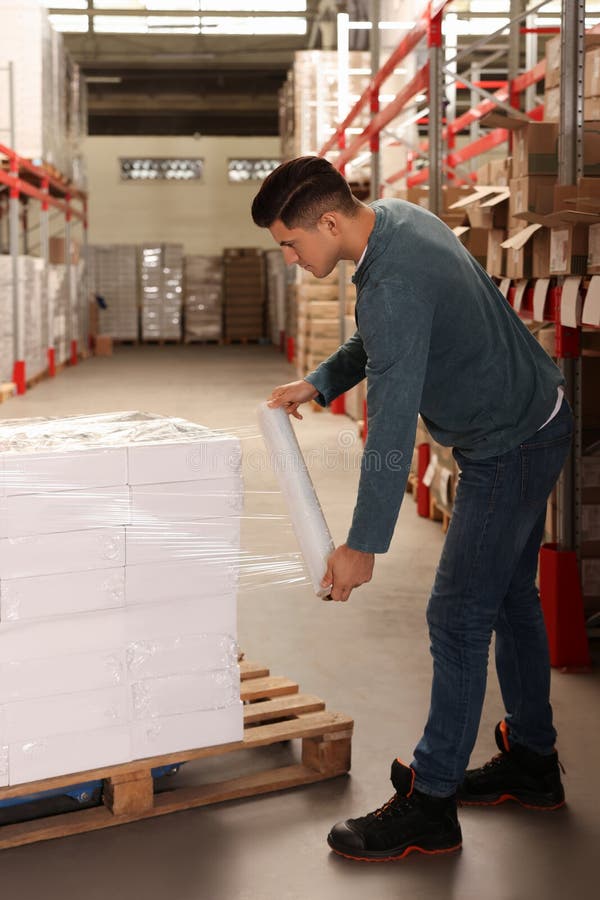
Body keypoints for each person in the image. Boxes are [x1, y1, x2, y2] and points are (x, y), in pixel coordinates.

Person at [251, 156, 572, 862]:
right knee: (511, 599)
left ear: (328, 223)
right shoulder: (397, 220)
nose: (289, 257)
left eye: (290, 243)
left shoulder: (389, 283)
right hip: (537, 416)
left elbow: (391, 429)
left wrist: (363, 544)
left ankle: (430, 803)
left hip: (507, 445)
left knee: (456, 616)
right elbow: (388, 341)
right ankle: (534, 762)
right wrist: (322, 380)